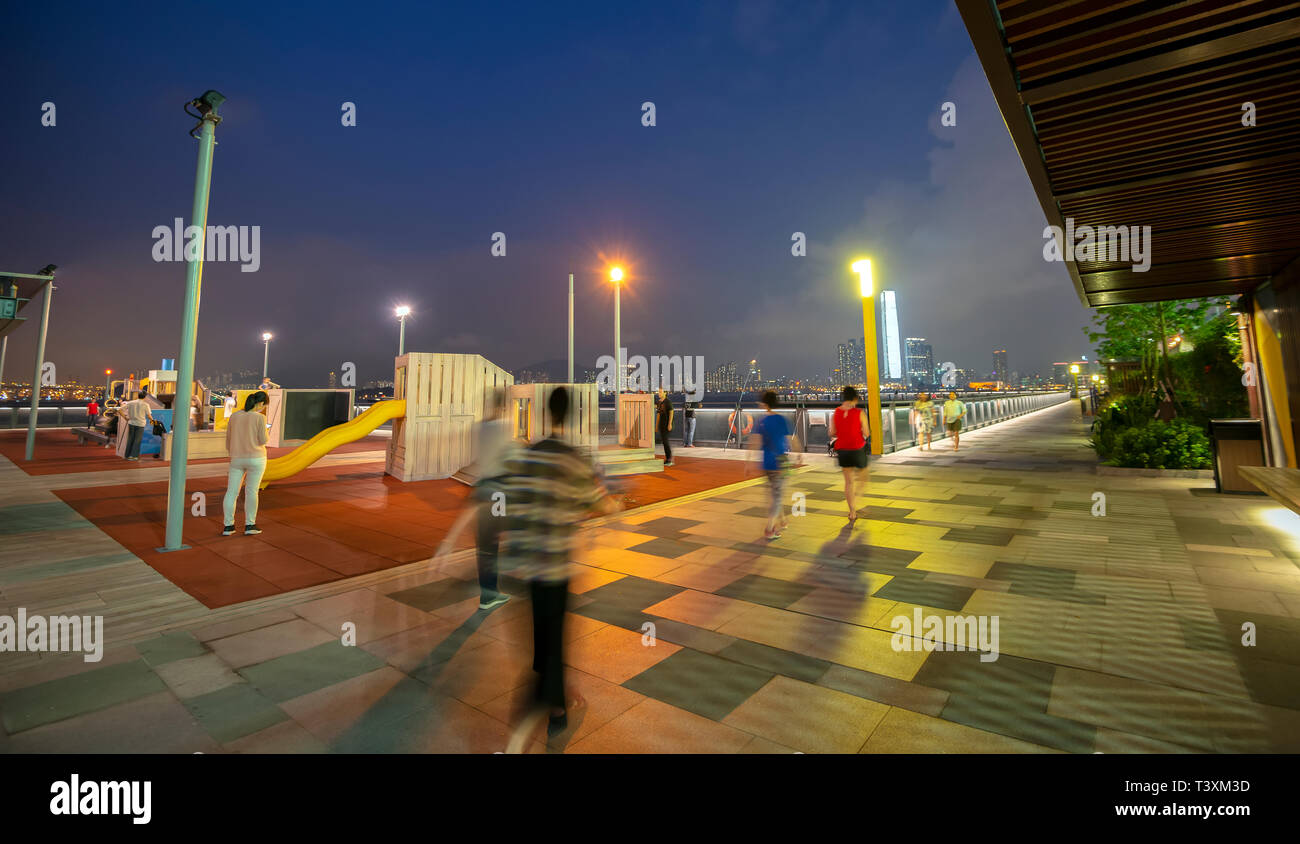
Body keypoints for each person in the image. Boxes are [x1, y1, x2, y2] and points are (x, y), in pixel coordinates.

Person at [488, 387, 621, 736]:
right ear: (571, 416)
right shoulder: (573, 459)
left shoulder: (530, 456)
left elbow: (512, 502)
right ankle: (554, 706)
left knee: (539, 629)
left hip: (527, 561)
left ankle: (546, 686)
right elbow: (599, 502)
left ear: (546, 414)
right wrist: (614, 506)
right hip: (557, 562)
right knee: (555, 630)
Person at [222, 391, 270, 536]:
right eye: (264, 405)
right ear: (260, 403)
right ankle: (250, 525)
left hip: (237, 458)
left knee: (232, 492)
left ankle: (228, 526)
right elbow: (263, 440)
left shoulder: (234, 416)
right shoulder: (260, 418)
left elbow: (228, 439)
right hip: (256, 458)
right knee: (251, 491)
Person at [749, 390, 791, 540]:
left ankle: (782, 520)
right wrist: (798, 454)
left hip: (766, 461)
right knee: (778, 495)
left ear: (765, 403)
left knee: (774, 493)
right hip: (781, 461)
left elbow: (754, 442)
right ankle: (769, 529)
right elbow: (791, 440)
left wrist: (748, 462)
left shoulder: (761, 420)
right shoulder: (781, 419)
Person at [829, 386, 870, 523]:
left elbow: (831, 432)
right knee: (863, 477)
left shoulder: (836, 412)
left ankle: (852, 511)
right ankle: (856, 501)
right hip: (857, 448)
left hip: (843, 449)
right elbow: (867, 433)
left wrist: (843, 431)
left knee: (848, 482)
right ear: (854, 398)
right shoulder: (860, 413)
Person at [119, 391, 153, 461]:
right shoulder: (146, 404)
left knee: (130, 439)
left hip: (131, 423)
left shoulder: (131, 403)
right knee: (137, 440)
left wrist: (125, 418)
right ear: (145, 397)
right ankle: (134, 456)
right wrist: (152, 421)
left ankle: (127, 455)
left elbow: (120, 410)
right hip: (140, 424)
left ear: (138, 395)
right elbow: (149, 415)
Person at [656, 388, 674, 467]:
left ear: (665, 393)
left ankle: (669, 459)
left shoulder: (668, 402)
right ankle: (667, 458)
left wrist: (670, 424)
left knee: (665, 442)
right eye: (658, 392)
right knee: (664, 441)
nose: (658, 393)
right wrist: (656, 426)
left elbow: (671, 412)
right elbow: (659, 414)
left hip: (666, 425)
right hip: (661, 425)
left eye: (660, 392)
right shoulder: (659, 402)